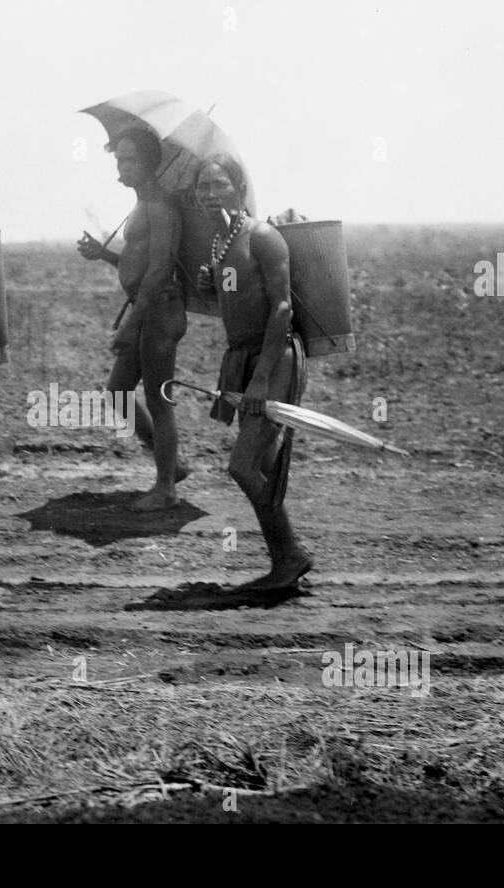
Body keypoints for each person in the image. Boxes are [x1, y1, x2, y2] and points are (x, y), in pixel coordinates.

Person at [194, 154, 314, 590]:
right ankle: (286, 559)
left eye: (219, 184)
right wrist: (216, 284)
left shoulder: (262, 236)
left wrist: (262, 378)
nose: (210, 194)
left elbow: (281, 307)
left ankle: (291, 554)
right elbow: (238, 295)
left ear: (240, 188)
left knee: (244, 467)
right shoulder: (219, 243)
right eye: (202, 186)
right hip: (242, 360)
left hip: (273, 359)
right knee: (257, 464)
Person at [77, 129, 188, 511]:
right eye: (118, 159)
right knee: (118, 391)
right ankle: (171, 463)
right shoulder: (143, 203)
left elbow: (159, 271)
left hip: (158, 310)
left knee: (159, 400)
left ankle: (166, 488)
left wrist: (131, 324)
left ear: (149, 162)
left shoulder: (159, 206)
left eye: (129, 160)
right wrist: (104, 255)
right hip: (147, 306)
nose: (120, 167)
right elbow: (139, 262)